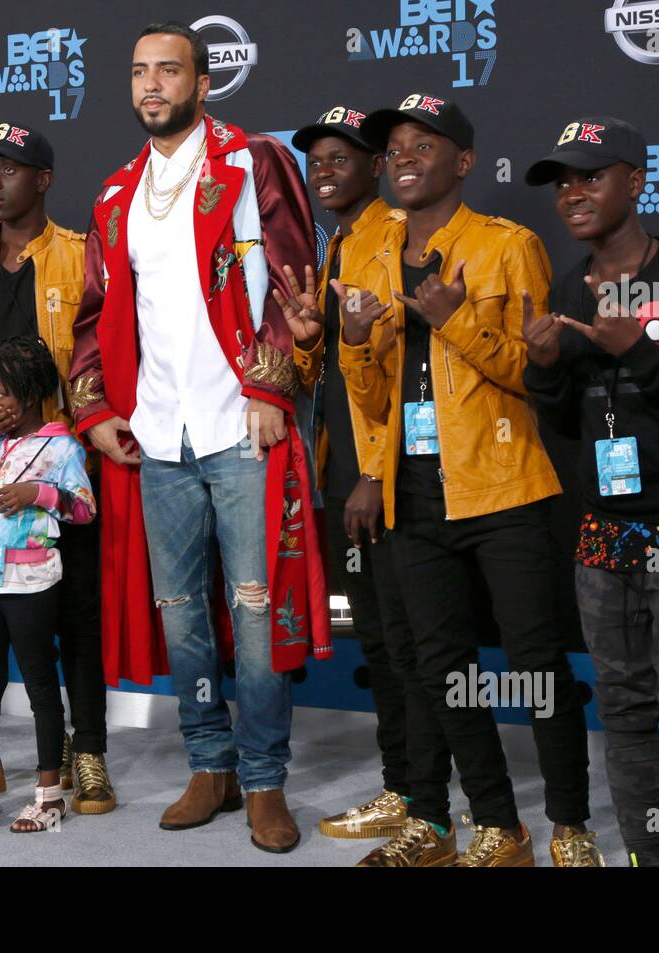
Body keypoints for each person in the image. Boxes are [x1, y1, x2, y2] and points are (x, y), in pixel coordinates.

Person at [68, 21, 329, 854]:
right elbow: (91, 317)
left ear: (202, 83)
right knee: (181, 615)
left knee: (255, 614)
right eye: (140, 71)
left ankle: (263, 780)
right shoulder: (115, 193)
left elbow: (295, 280)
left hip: (239, 422)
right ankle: (209, 764)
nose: (152, 85)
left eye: (168, 71)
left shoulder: (253, 162)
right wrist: (99, 411)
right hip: (156, 435)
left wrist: (272, 384)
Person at [341, 93, 597, 866]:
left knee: (536, 666)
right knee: (441, 669)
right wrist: (354, 348)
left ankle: (571, 826)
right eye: (395, 148)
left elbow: (535, 374)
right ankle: (497, 826)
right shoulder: (369, 254)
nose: (405, 158)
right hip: (411, 496)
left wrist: (455, 320)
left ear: (464, 161)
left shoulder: (504, 246)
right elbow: (375, 401)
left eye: (426, 143)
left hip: (502, 487)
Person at [523, 117, 659, 866]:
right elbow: (561, 423)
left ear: (637, 182)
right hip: (602, 537)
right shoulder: (563, 290)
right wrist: (549, 365)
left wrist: (642, 355)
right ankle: (647, 861)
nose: (573, 193)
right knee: (621, 713)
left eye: (591, 176)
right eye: (563, 182)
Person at [0, 122, 115, 813]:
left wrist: (75, 446)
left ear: (43, 178)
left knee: (75, 621)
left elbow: (104, 358)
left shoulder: (80, 255)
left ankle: (87, 752)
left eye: (11, 169)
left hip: (66, 463)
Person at [273, 106, 410, 840]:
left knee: (406, 636)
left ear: (377, 165)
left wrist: (377, 473)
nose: (324, 171)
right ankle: (405, 787)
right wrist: (304, 343)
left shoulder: (395, 237)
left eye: (340, 159)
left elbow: (403, 371)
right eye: (316, 161)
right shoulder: (336, 246)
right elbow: (320, 375)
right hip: (341, 468)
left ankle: (417, 789)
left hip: (382, 475)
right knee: (383, 640)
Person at [0, 336, 97, 832]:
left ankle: (49, 795)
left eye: (0, 394)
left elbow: (85, 509)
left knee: (39, 684)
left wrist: (39, 493)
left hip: (33, 578)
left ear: (32, 390)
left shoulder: (62, 446)